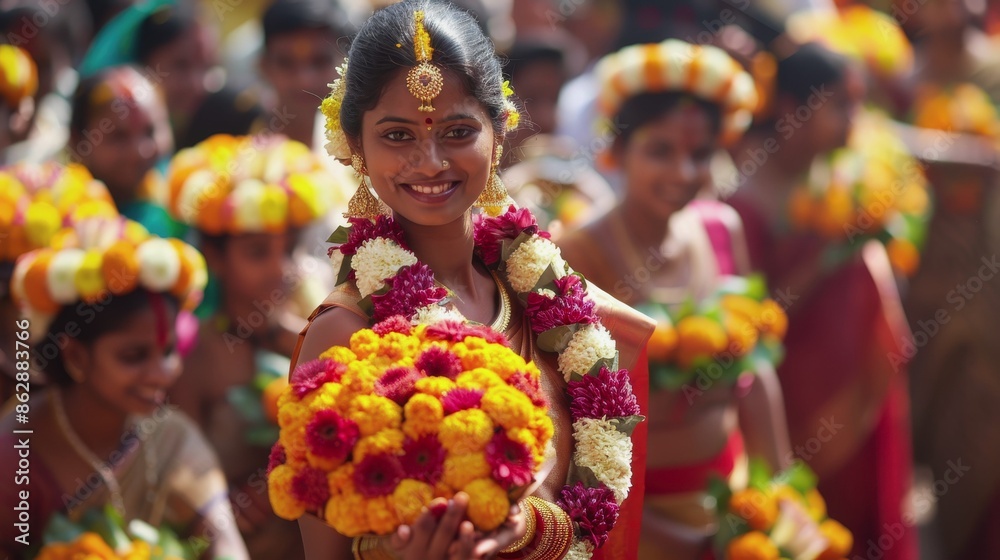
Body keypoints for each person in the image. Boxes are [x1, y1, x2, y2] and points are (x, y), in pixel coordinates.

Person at [290, 2, 654, 559]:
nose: (430, 161)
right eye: (397, 135)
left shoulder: (548, 297)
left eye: (458, 131)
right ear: (355, 145)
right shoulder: (342, 334)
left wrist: (533, 530)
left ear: (499, 127)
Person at [557, 40, 792, 559]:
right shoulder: (578, 251)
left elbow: (753, 373)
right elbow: (576, 426)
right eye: (661, 151)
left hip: (728, 504)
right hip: (633, 522)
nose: (683, 173)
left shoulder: (719, 227)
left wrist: (780, 491)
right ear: (617, 151)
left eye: (700, 154)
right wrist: (673, 542)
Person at [727, 42, 918, 560]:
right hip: (788, 397)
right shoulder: (743, 200)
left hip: (859, 381)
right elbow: (753, 323)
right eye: (839, 105)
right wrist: (828, 255)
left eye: (857, 103)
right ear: (791, 110)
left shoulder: (843, 176)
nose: (854, 119)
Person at [0, 216, 248, 560]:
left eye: (169, 351)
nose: (162, 374)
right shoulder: (16, 449)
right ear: (75, 354)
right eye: (134, 356)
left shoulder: (171, 437)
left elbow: (225, 545)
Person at [166, 133, 340, 560]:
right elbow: (177, 474)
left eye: (291, 249)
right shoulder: (194, 355)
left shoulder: (318, 328)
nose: (280, 269)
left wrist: (288, 338)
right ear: (215, 256)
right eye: (258, 252)